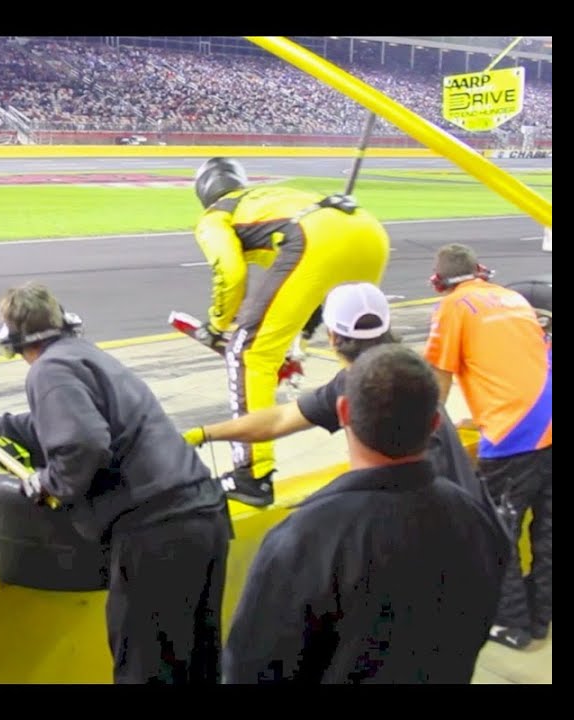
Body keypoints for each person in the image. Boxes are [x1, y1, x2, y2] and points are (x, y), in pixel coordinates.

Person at [0, 282, 232, 684]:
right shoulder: (85, 356)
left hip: (156, 533)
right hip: (202, 517)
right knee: (197, 662)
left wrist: (50, 483)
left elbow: (84, 441)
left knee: (146, 669)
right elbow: (55, 422)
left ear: (10, 339)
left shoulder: (48, 370)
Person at [223, 344, 507, 684]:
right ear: (434, 423)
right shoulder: (474, 516)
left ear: (343, 413)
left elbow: (251, 667)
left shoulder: (304, 539)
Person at [184, 281, 507, 527]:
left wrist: (202, 433)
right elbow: (279, 419)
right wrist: (207, 432)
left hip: (423, 533)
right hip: (466, 522)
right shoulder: (409, 367)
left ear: (334, 337)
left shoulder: (356, 383)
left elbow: (279, 420)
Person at [189, 157, 391, 508]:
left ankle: (251, 475)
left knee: (249, 353)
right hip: (369, 232)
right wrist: (300, 336)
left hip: (315, 241)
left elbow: (231, 272)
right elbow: (301, 287)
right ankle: (392, 443)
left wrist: (217, 324)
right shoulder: (270, 195)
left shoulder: (215, 216)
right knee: (363, 354)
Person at [423, 243, 553, 650]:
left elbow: (437, 381)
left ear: (439, 282)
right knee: (547, 529)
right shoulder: (514, 298)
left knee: (499, 530)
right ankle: (541, 614)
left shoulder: (453, 308)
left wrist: (425, 433)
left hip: (515, 436)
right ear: (480, 271)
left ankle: (511, 623)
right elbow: (520, 365)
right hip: (547, 421)